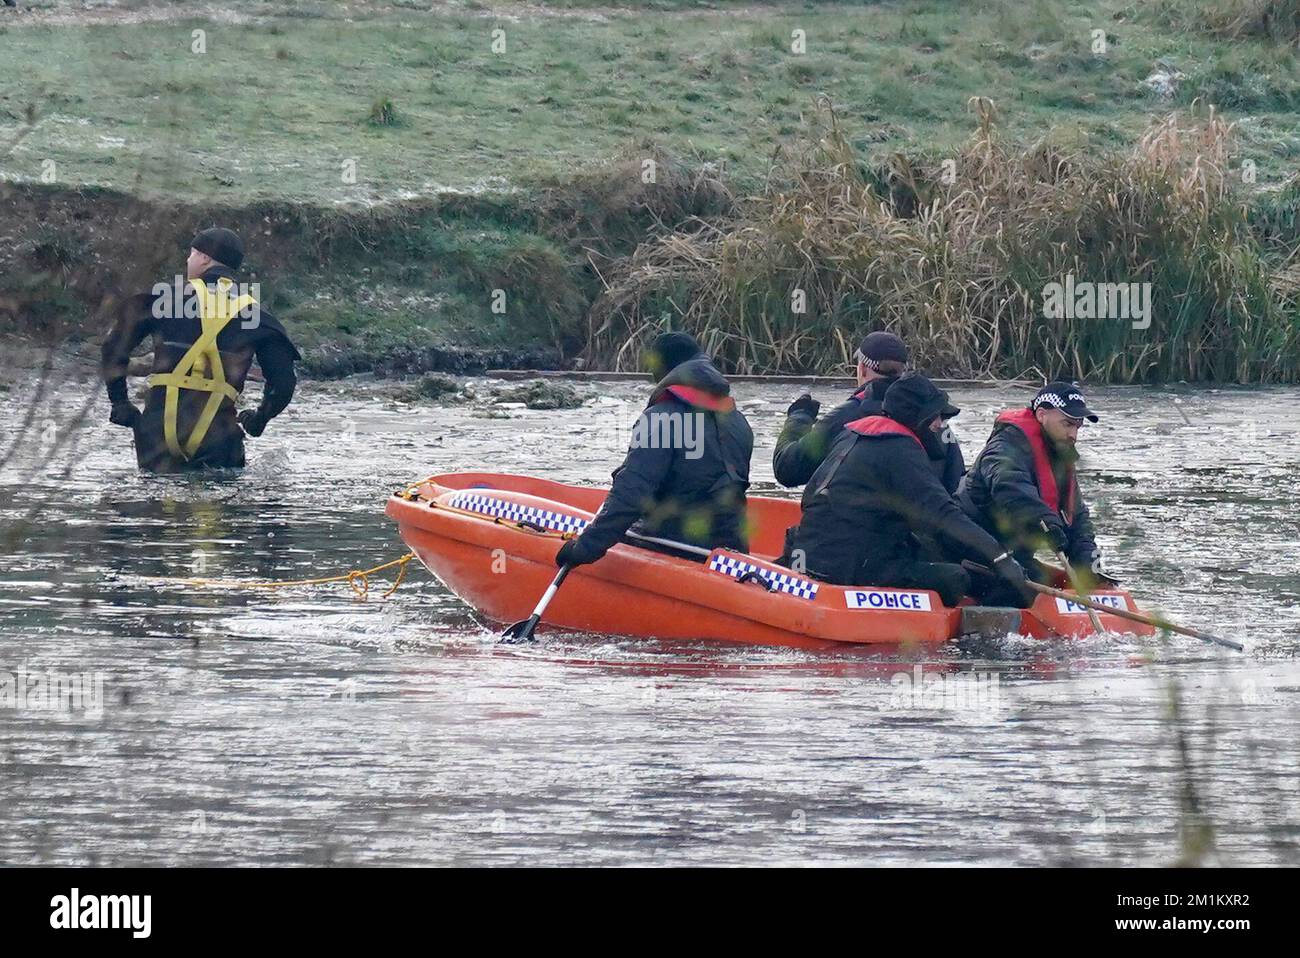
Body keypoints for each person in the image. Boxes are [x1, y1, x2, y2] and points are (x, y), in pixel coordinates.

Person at [787, 373, 1035, 608]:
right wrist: (1000, 558)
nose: (941, 425)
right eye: (937, 417)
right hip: (850, 568)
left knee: (936, 551)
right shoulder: (899, 449)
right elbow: (944, 515)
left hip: (816, 554)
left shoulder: (854, 433)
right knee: (956, 577)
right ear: (917, 416)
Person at [101, 227, 299, 473]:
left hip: (156, 435)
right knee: (215, 503)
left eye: (192, 253)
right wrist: (260, 418)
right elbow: (283, 383)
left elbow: (113, 348)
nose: (188, 260)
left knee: (155, 505)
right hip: (218, 439)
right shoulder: (258, 316)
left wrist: (119, 402)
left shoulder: (164, 301)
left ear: (205, 257)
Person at [555, 331, 754, 568]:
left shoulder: (660, 418)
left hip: (676, 547)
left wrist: (585, 547)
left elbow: (632, 492)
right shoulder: (737, 420)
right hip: (731, 550)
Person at [774, 330, 963, 493]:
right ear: (902, 372)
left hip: (863, 528)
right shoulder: (931, 418)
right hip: (929, 525)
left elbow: (787, 469)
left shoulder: (847, 416)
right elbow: (957, 481)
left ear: (862, 369)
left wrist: (799, 416)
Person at [958, 381, 1106, 589]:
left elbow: (1077, 517)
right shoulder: (1005, 446)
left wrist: (1088, 566)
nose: (1074, 435)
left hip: (1013, 552)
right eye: (1067, 424)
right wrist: (1045, 523)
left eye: (1078, 426)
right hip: (973, 548)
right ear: (1042, 415)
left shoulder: (1059, 456)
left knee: (1049, 578)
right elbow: (1008, 487)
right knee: (1027, 587)